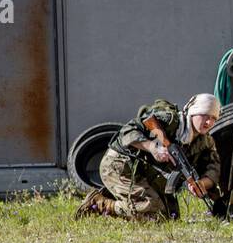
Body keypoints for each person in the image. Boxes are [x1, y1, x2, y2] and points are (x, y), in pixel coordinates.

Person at [76, 93, 222, 220]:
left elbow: (214, 167)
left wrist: (203, 183)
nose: (209, 122)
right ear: (193, 112)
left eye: (214, 118)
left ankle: (122, 196)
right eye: (205, 116)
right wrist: (153, 147)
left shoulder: (205, 141)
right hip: (120, 164)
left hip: (144, 173)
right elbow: (128, 130)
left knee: (168, 217)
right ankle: (99, 203)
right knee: (152, 211)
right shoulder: (170, 120)